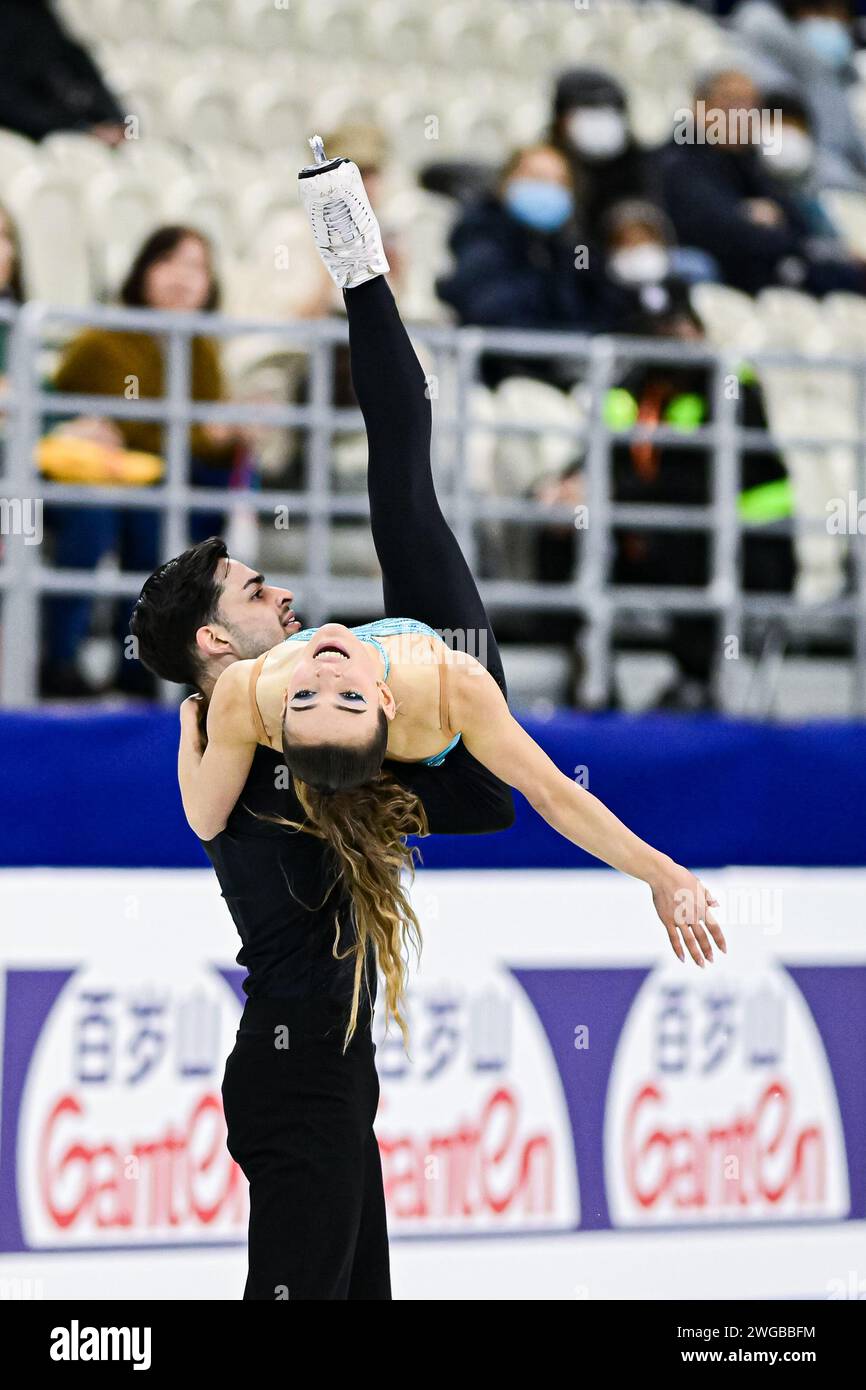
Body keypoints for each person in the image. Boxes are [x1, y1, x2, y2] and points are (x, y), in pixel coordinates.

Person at [183, 150, 724, 1036]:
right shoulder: (448, 686)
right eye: (345, 694)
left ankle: (360, 268)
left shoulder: (255, 693)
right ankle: (351, 808)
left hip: (345, 769)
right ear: (385, 700)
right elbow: (555, 798)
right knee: (494, 794)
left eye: (308, 694)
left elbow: (207, 812)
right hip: (461, 757)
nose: (324, 663)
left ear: (281, 712)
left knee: (397, 481)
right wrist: (662, 874)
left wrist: (190, 723)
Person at [43, 226, 250, 696]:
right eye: (170, 262)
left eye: (196, 267)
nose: (183, 278)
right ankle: (59, 661)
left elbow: (195, 440)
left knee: (169, 529)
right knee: (107, 522)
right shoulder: (102, 341)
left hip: (157, 488)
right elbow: (122, 427)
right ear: (143, 271)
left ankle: (140, 669)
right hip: (91, 482)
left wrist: (234, 434)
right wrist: (205, 432)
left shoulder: (202, 349)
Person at [660, 67, 866, 295]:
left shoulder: (752, 163)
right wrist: (752, 220)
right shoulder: (677, 161)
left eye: (750, 104)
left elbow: (796, 223)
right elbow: (724, 230)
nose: (742, 112)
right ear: (699, 107)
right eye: (731, 101)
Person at [436, 142, 600, 387]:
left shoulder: (571, 249)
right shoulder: (482, 236)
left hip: (566, 379)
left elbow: (597, 311)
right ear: (506, 184)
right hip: (495, 380)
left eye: (559, 181)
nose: (548, 188)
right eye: (537, 177)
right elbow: (486, 310)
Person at [731, 0, 866, 190]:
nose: (832, 23)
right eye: (822, 13)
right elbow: (800, 161)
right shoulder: (766, 79)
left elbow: (854, 142)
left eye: (839, 15)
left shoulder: (834, 73)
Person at [549, 67, 662, 238]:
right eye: (587, 108)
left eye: (606, 109)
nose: (598, 121)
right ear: (561, 119)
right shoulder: (547, 163)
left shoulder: (640, 166)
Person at [0, 0, 125, 145]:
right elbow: (9, 99)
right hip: (34, 137)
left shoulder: (37, 12)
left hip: (71, 123)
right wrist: (80, 129)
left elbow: (73, 57)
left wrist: (114, 118)